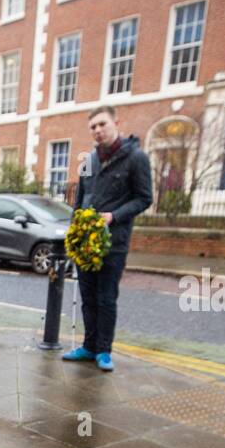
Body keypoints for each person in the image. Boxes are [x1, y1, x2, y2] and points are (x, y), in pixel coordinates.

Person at [63, 105, 153, 372]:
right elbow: (79, 201)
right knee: (87, 297)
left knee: (105, 298)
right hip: (86, 245)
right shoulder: (89, 161)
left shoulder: (136, 158)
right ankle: (89, 346)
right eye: (93, 127)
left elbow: (144, 198)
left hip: (113, 243)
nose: (98, 130)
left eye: (102, 124)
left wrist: (114, 216)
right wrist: (75, 235)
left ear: (116, 123)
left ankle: (104, 350)